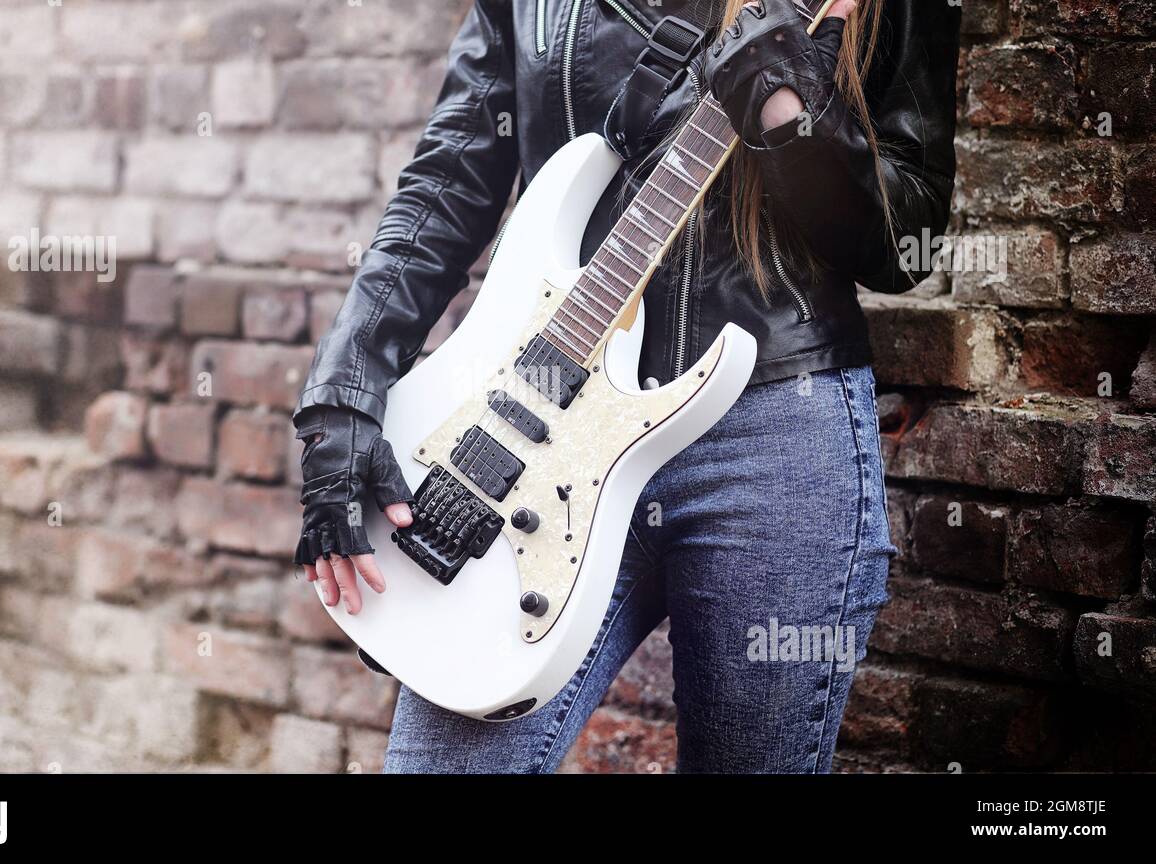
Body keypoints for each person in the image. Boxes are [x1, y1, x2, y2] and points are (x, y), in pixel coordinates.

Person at [291, 0, 960, 773]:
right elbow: (451, 176)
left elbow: (907, 243)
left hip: (772, 434)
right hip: (533, 420)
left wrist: (788, 109)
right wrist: (347, 385)